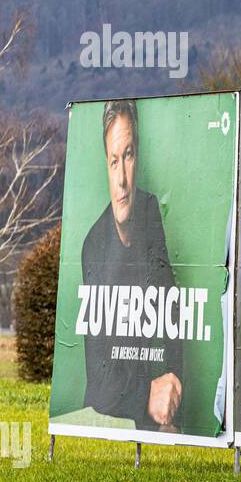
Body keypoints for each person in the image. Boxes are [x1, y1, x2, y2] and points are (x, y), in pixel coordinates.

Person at [80, 100, 184, 430]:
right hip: (105, 417)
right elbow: (100, 380)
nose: (122, 179)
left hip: (146, 410)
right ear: (105, 165)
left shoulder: (149, 209)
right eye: (113, 162)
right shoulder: (93, 245)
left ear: (137, 156)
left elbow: (172, 313)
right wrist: (148, 397)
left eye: (128, 156)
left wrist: (172, 392)